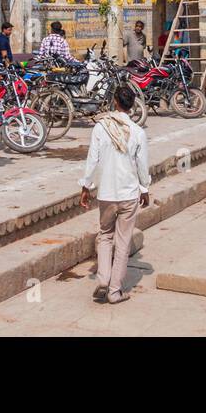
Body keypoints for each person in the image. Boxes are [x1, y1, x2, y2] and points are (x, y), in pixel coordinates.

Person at [79, 84, 150, 305]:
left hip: (107, 193)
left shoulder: (101, 127)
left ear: (115, 102)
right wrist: (145, 189)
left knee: (105, 236)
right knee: (122, 241)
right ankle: (115, 290)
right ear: (131, 106)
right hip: (129, 194)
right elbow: (142, 165)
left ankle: (103, 278)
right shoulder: (138, 132)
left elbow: (92, 159)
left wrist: (86, 186)